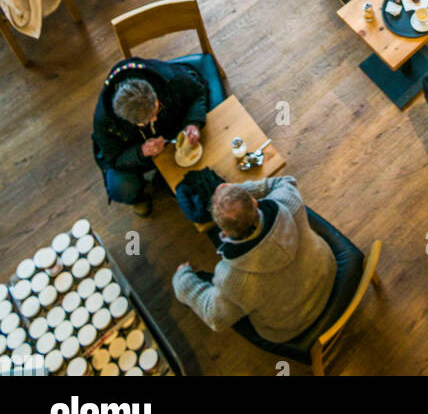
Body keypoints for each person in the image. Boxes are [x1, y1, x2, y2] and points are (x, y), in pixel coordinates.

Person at [172, 176, 337, 343]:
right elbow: (284, 181)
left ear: (225, 232)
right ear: (255, 201)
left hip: (292, 325)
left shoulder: (233, 280)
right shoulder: (288, 200)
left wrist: (183, 279)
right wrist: (241, 190)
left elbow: (215, 317)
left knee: (227, 300)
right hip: (326, 272)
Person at [91, 60, 209, 214]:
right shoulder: (105, 122)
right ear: (127, 121)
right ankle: (138, 198)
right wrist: (140, 152)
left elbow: (198, 93)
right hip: (135, 149)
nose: (154, 119)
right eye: (146, 121)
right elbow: (113, 158)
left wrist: (193, 122)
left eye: (157, 109)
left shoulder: (168, 79)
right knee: (121, 188)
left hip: (174, 129)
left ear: (153, 93)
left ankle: (164, 179)